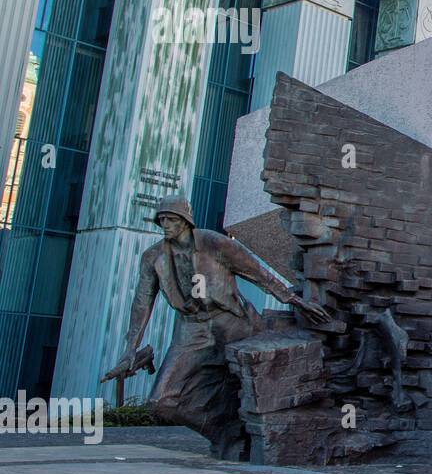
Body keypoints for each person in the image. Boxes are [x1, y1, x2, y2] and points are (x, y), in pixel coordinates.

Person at [113, 195, 329, 459]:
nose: (165, 224)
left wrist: (294, 299)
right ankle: (225, 432)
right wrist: (130, 348)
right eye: (162, 220)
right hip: (191, 329)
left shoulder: (214, 243)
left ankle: (255, 438)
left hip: (233, 322)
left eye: (170, 219)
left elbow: (257, 273)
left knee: (254, 385)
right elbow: (141, 302)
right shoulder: (153, 257)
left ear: (185, 221)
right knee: (161, 402)